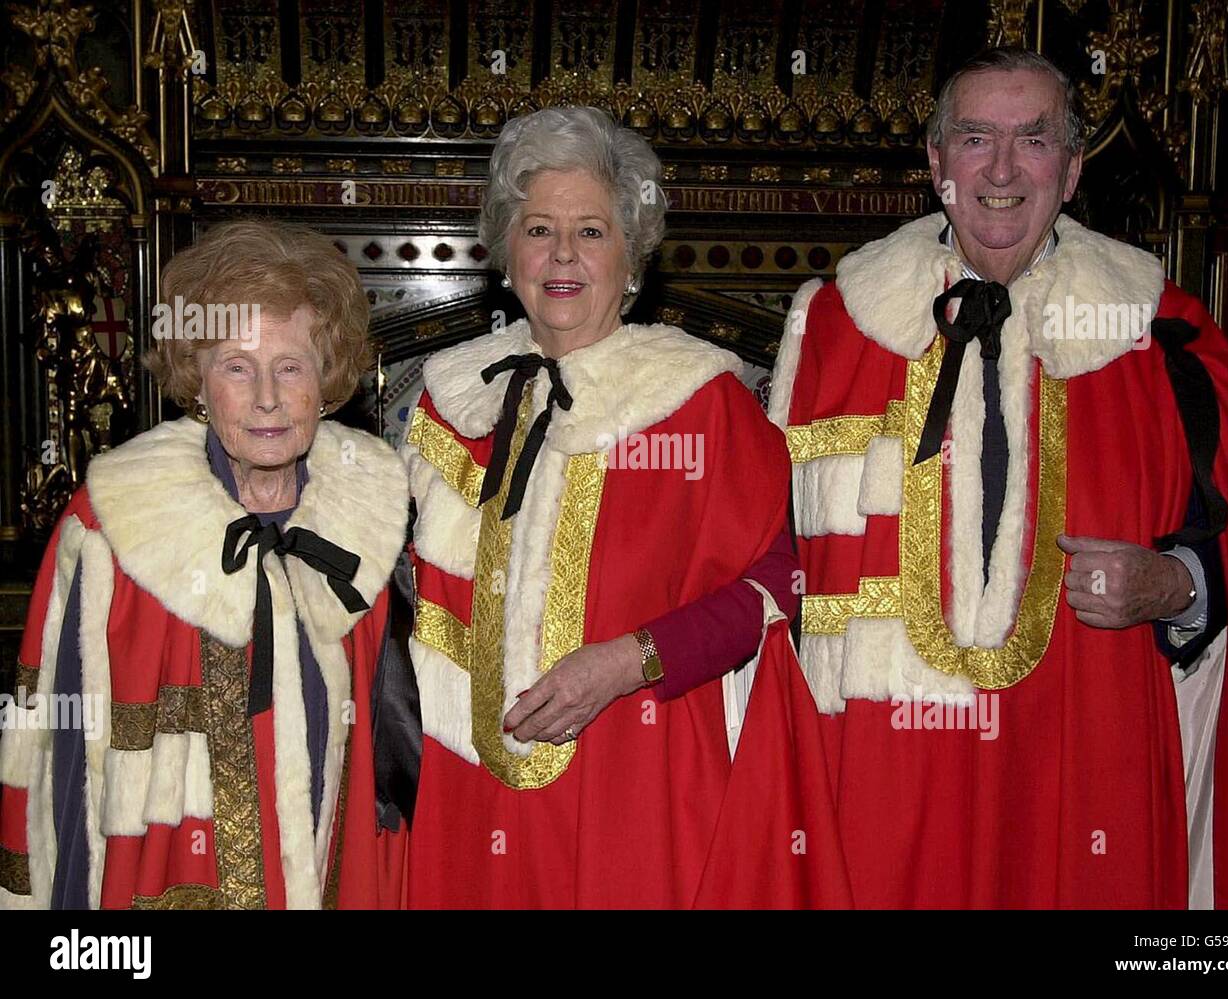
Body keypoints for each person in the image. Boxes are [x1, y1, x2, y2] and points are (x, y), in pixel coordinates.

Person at [769, 48, 1228, 908]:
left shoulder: (1162, 334)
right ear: (935, 162)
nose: (1003, 169)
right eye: (975, 138)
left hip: (1084, 765)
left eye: (1035, 139)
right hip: (877, 781)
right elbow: (763, 566)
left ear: (1074, 168)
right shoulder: (832, 325)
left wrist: (1172, 583)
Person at [402, 106, 850, 907]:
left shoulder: (702, 402)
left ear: (633, 257)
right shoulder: (449, 402)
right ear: (505, 251)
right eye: (538, 229)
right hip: (470, 788)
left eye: (592, 232)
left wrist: (632, 658)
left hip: (646, 775)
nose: (563, 255)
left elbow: (782, 588)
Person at [0, 219, 409, 908]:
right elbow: (58, 777)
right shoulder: (113, 531)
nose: (269, 398)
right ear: (197, 380)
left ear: (329, 376)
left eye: (291, 366)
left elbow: (394, 778)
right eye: (237, 367)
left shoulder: (370, 525)